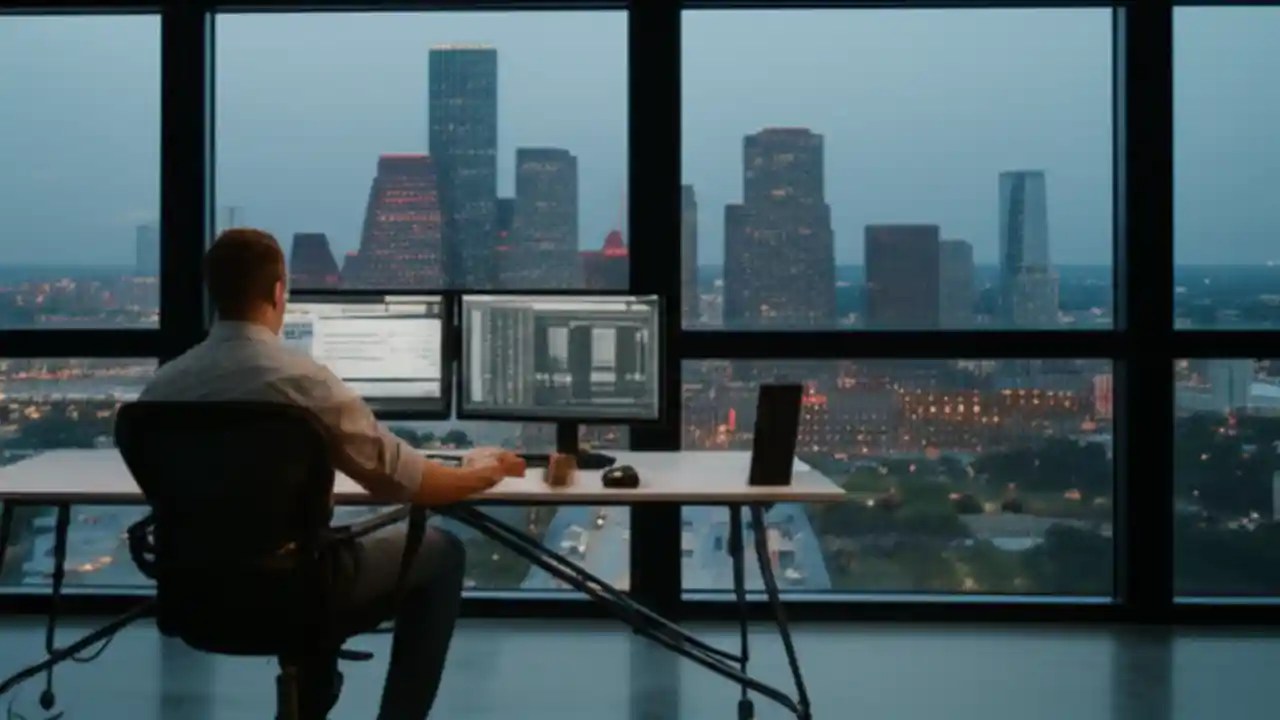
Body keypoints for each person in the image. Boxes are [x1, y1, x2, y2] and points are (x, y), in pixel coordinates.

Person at [140, 227, 508, 720]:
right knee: (442, 552)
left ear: (214, 292)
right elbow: (409, 483)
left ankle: (311, 698)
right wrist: (486, 471)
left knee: (310, 546)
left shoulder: (163, 388)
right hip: (298, 591)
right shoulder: (301, 381)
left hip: (196, 596)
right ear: (278, 292)